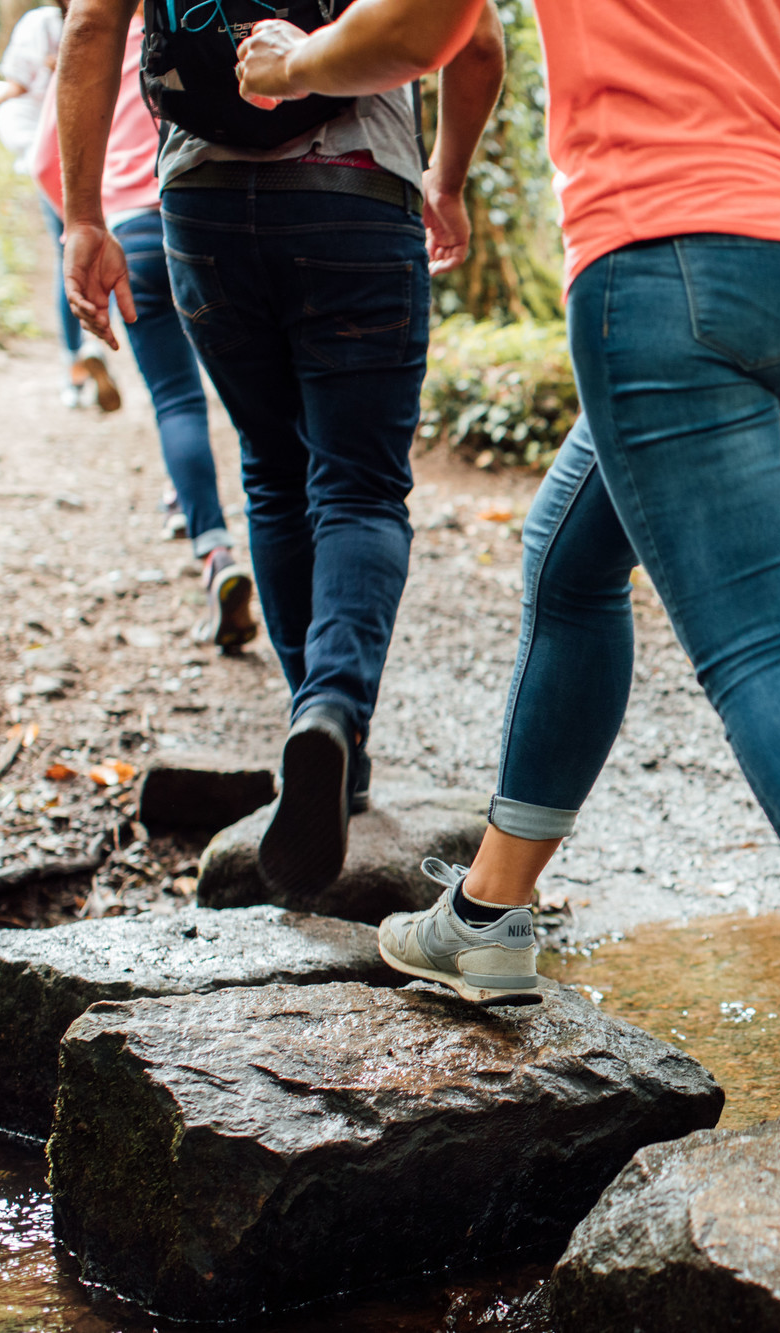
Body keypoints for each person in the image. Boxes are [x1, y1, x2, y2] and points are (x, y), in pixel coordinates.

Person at [237, 0, 780, 1166]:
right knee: (571, 554)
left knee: (758, 651)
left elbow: (422, 28)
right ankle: (485, 918)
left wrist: (296, 64)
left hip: (663, 263)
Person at [58, 0, 507, 895]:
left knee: (271, 467)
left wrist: (82, 216)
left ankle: (319, 728)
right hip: (358, 191)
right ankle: (333, 710)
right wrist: (445, 178)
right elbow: (480, 39)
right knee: (361, 486)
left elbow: (90, 26)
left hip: (203, 204)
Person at [35, 5, 256, 648]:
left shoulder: (94, 47)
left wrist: (85, 220)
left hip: (131, 230)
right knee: (255, 393)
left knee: (176, 399)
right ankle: (296, 547)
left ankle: (215, 550)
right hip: (206, 207)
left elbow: (44, 161)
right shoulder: (196, 28)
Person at [0, 0, 119, 412]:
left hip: (56, 164)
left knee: (74, 256)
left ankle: (74, 367)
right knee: (102, 249)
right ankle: (95, 349)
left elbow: (11, 88)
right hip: (104, 163)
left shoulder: (44, 24)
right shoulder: (119, 20)